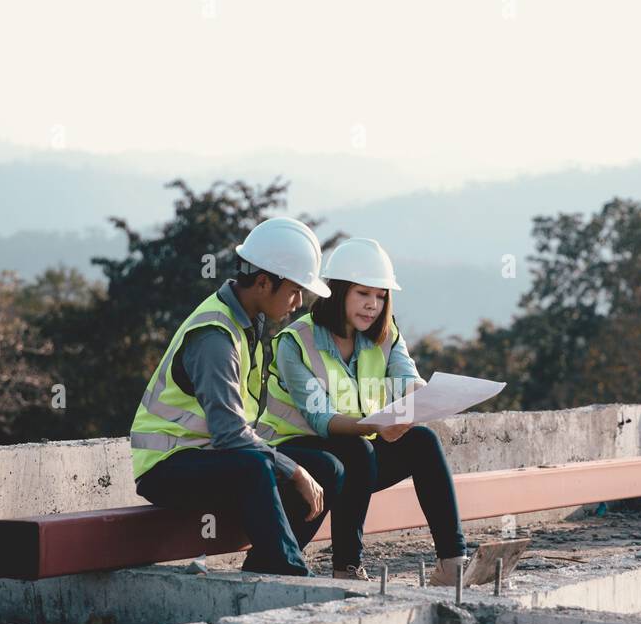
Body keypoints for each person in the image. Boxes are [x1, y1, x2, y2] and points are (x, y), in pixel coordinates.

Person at [129, 217, 346, 576]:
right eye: (294, 291)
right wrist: (292, 470)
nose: (297, 303)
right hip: (168, 467)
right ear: (263, 283)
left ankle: (265, 570)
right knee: (257, 466)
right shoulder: (216, 336)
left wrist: (298, 470)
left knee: (328, 469)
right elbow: (230, 434)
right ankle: (290, 573)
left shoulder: (246, 322)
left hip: (212, 458)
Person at [256, 237, 468, 584]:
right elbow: (321, 420)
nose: (373, 305)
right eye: (363, 294)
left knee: (422, 442)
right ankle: (348, 568)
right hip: (291, 453)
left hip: (354, 454)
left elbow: (408, 381)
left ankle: (452, 562)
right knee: (357, 450)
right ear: (338, 291)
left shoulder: (385, 335)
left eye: (380, 296)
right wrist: (378, 426)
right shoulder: (296, 342)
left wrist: (432, 400)